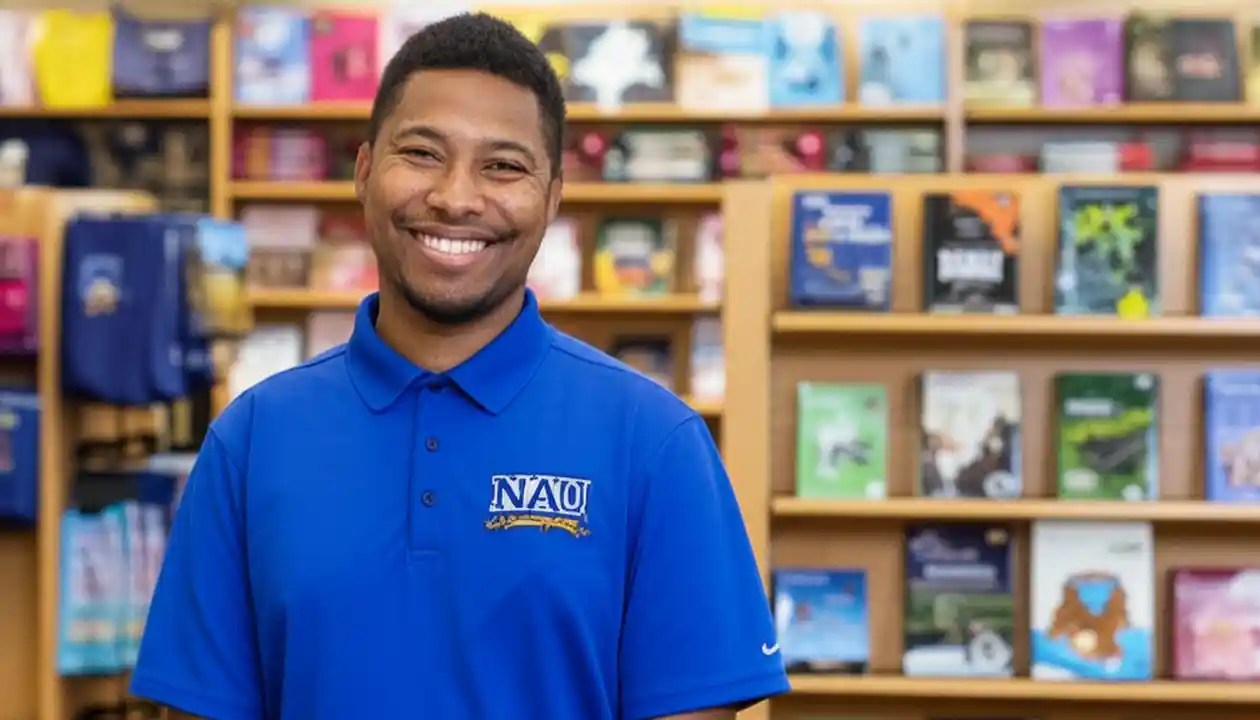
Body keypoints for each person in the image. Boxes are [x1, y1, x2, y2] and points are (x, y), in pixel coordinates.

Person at [130, 11, 790, 720]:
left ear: (552, 198)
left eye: (503, 166)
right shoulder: (252, 440)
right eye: (421, 153)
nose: (455, 197)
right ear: (363, 171)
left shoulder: (654, 443)